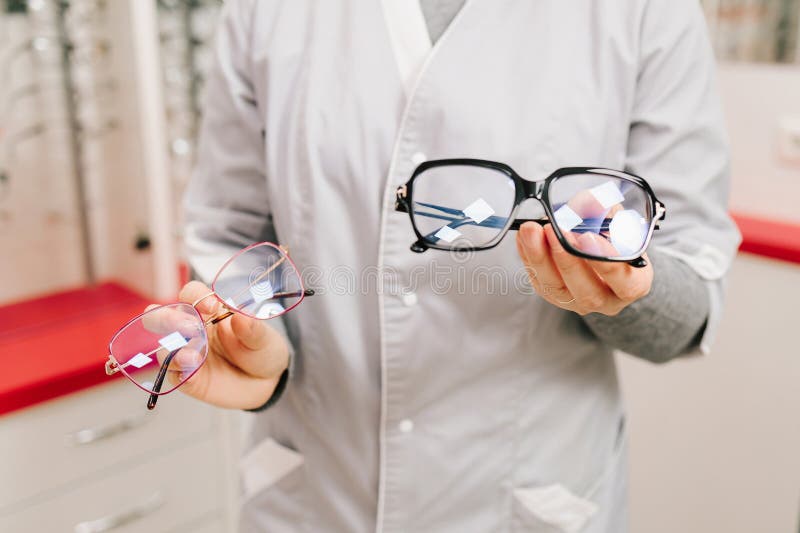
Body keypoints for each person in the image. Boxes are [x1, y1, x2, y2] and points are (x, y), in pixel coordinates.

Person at [179, 1, 741, 531]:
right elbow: (231, 230)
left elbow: (690, 291)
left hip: (526, 490)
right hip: (318, 489)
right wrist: (263, 346)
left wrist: (623, 291)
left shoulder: (645, 11)